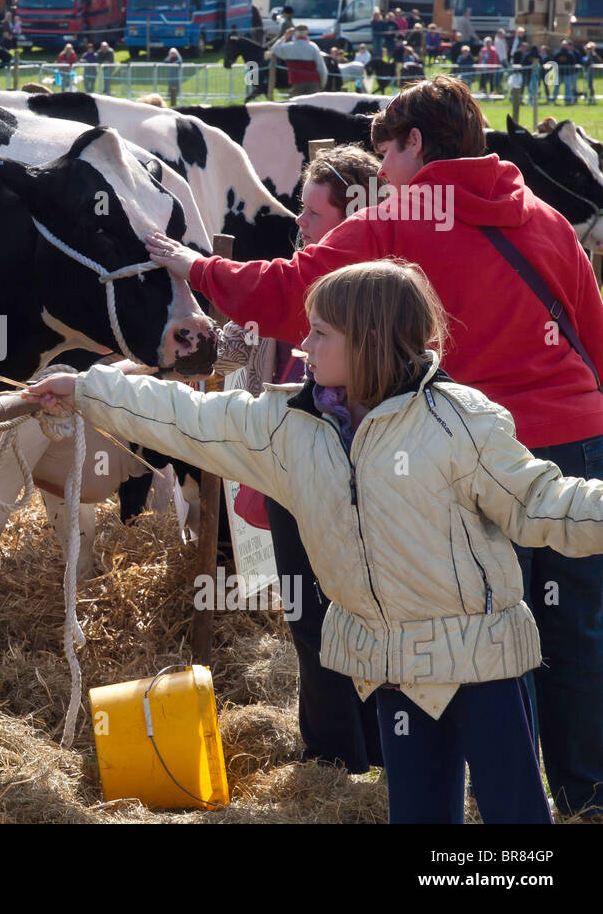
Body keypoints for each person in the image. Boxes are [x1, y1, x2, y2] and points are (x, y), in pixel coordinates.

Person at [144, 74, 603, 820]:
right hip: (580, 436)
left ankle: (512, 814)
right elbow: (591, 330)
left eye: (384, 151)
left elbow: (290, 293)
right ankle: (585, 795)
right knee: (578, 631)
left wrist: (196, 268)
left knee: (492, 637)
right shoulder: (545, 216)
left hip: (477, 452)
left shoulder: (399, 221)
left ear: (415, 143)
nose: (380, 171)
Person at [29, 257, 603, 824]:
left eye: (321, 332)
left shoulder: (461, 424)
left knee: (517, 821)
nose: (303, 344)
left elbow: (542, 503)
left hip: (483, 663)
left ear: (369, 341)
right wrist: (86, 390)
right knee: (418, 816)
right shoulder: (290, 427)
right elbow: (189, 418)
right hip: (391, 665)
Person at [213, 144, 386, 774]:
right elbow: (260, 348)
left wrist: (194, 266)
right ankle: (354, 749)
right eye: (301, 212)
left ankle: (339, 760)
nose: (301, 226)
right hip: (307, 467)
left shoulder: (353, 289)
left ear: (356, 216)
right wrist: (230, 345)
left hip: (329, 471)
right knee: (323, 615)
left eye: (313, 213)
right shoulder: (334, 283)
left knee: (320, 617)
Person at [269, 24, 327, 96]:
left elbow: (274, 49)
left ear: (295, 33)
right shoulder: (313, 47)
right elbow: (321, 68)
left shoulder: (289, 47)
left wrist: (285, 36)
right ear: (307, 32)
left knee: (297, 105)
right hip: (314, 82)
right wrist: (322, 83)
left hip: (297, 83)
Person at [553, 38, 579, 104]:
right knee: (556, 87)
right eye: (563, 45)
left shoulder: (570, 54)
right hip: (559, 74)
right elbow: (554, 62)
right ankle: (553, 100)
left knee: (567, 88)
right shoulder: (557, 53)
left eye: (565, 45)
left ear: (567, 46)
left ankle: (568, 101)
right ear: (561, 45)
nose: (564, 46)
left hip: (568, 74)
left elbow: (573, 63)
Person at [583, 41, 598, 105]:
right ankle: (590, 99)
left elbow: (598, 61)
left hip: (590, 71)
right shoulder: (588, 55)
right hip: (587, 71)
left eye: (589, 48)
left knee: (590, 86)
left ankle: (592, 99)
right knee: (589, 86)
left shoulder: (593, 55)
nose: (587, 49)